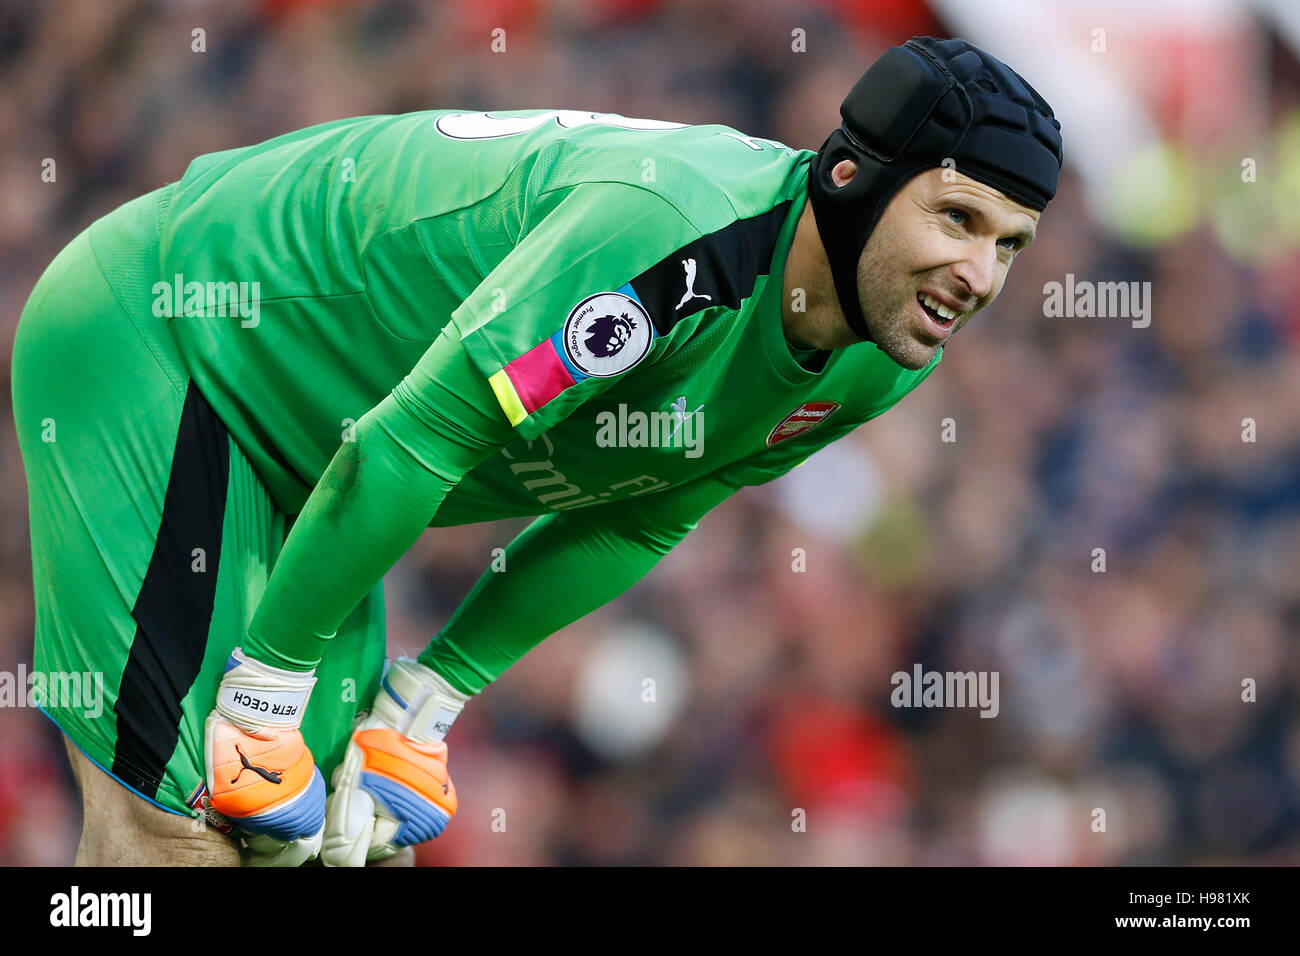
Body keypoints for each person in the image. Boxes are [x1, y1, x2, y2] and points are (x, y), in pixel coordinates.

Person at [10, 36, 1062, 866]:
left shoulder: (883, 351)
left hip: (312, 440)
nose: (977, 272)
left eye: (1007, 244)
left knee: (337, 846)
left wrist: (431, 697)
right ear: (847, 174)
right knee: (179, 838)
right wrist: (264, 688)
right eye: (956, 216)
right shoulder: (665, 239)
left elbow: (650, 508)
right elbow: (414, 445)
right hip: (174, 342)